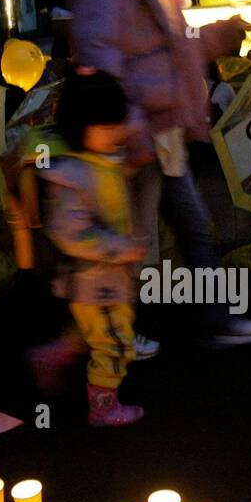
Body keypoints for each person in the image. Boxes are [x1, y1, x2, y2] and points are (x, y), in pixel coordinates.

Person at [68, 0, 251, 347]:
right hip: (138, 137)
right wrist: (134, 131)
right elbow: (103, 65)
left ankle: (192, 322)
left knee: (177, 232)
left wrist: (225, 31)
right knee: (131, 242)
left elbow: (177, 46)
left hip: (159, 135)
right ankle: (106, 338)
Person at [27, 71, 148, 426]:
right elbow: (70, 234)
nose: (118, 134)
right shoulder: (72, 174)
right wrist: (121, 249)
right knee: (116, 344)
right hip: (97, 281)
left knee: (90, 333)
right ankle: (103, 406)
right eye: (108, 128)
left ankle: (53, 356)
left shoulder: (96, 159)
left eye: (118, 126)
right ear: (81, 127)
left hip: (102, 279)